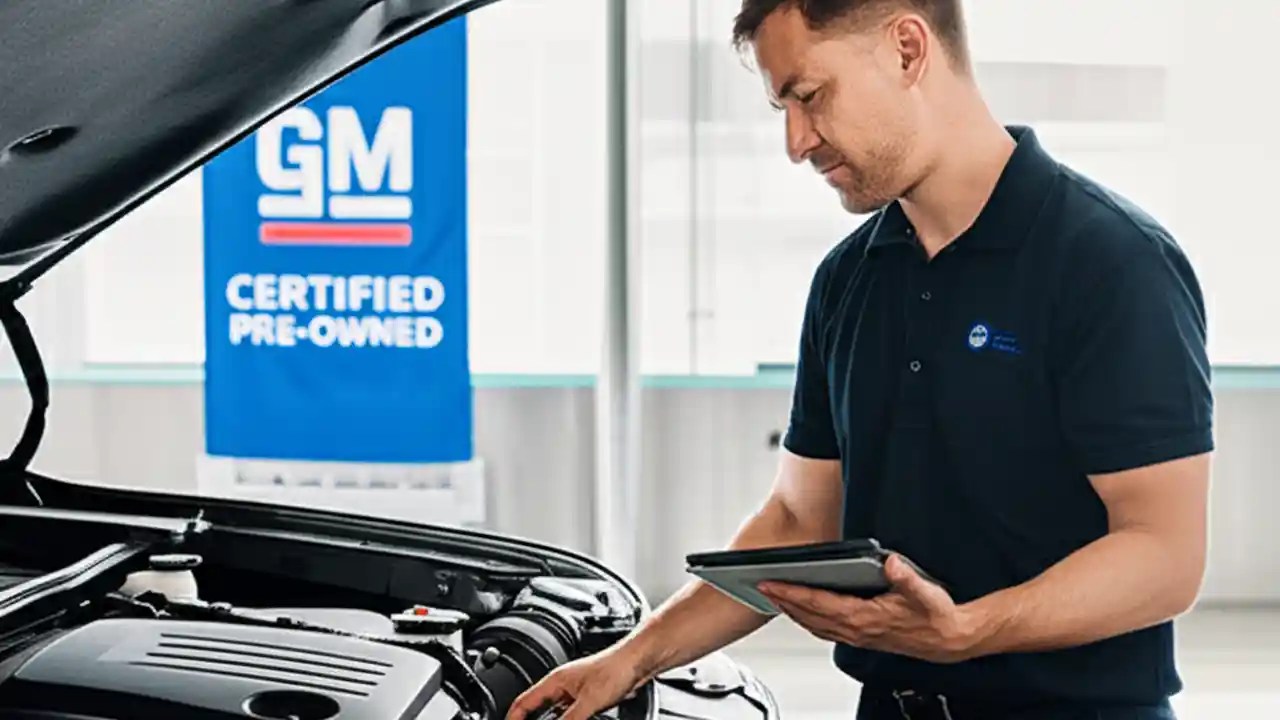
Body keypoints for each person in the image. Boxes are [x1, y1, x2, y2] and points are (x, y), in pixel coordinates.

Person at [508, 1, 1213, 718]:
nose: (794, 141)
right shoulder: (848, 280)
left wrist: (967, 632)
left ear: (907, 50)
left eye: (810, 97)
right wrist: (629, 659)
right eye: (781, 107)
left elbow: (1163, 555)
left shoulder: (1111, 262)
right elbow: (799, 517)